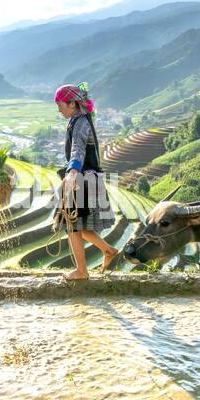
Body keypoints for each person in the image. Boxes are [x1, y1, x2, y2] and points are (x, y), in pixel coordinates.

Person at [53, 82, 120, 280]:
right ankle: (108, 250)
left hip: (82, 179)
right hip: (85, 177)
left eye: (60, 105)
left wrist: (72, 171)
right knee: (78, 224)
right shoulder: (78, 119)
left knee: (72, 224)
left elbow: (79, 148)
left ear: (72, 104)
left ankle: (81, 271)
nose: (59, 110)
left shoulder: (81, 122)